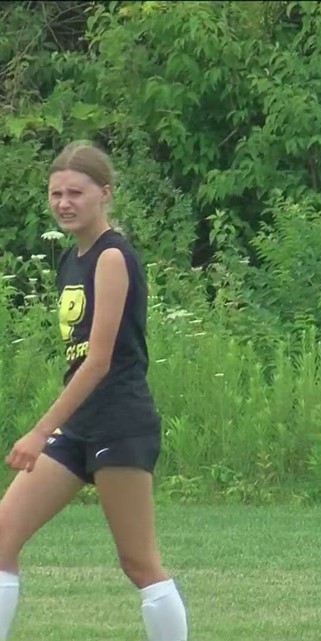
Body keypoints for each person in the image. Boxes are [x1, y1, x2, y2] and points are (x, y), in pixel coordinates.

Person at [0, 141, 188, 640]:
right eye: (55, 193)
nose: (64, 202)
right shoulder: (71, 260)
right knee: (3, 536)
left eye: (76, 193)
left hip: (119, 423)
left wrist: (40, 431)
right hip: (79, 426)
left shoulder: (111, 257)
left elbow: (99, 360)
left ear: (104, 193)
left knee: (139, 563)